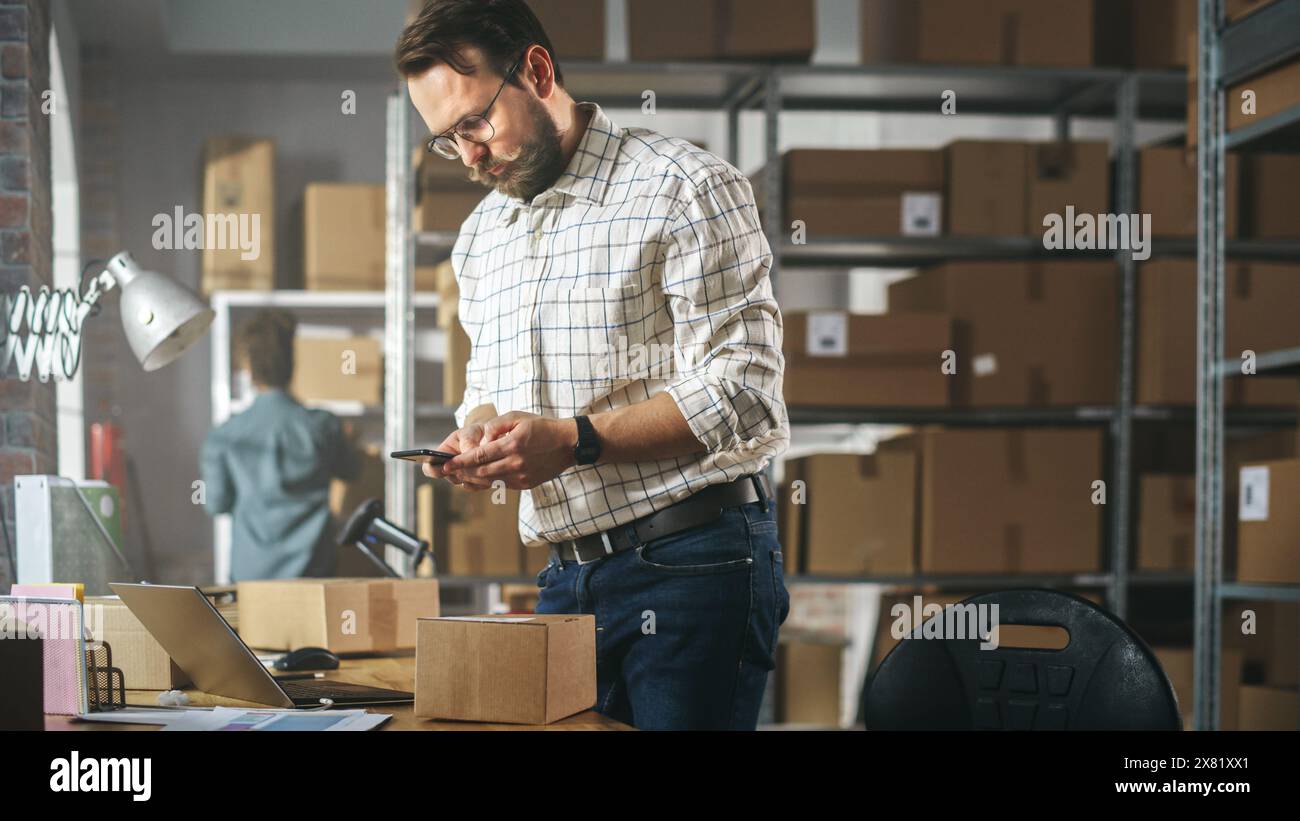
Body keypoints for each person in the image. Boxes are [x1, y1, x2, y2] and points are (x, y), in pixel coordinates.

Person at [395, 0, 790, 730]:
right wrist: (480, 439)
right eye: (449, 141)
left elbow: (745, 391)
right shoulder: (483, 235)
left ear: (536, 71)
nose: (471, 157)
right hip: (566, 576)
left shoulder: (685, 188)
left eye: (475, 123)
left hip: (692, 566)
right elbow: (487, 388)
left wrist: (575, 440)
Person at [200, 309, 360, 581]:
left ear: (247, 368)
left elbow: (216, 504)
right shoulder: (324, 426)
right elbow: (351, 470)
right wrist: (350, 439)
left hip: (250, 577)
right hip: (313, 573)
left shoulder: (223, 437)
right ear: (291, 364)